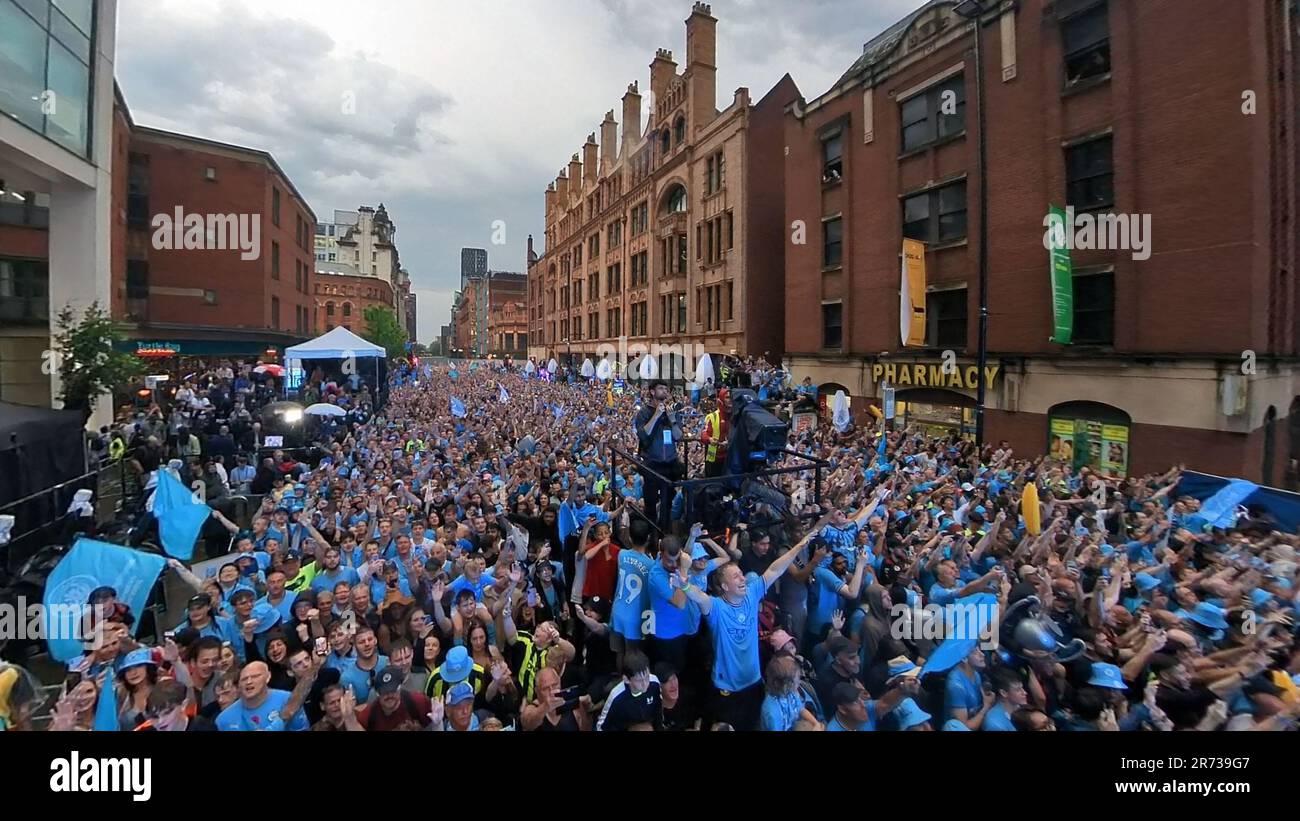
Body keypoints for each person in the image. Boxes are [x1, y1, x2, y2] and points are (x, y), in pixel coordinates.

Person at [681, 516, 825, 731]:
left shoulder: (751, 594)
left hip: (754, 682)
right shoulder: (716, 607)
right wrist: (683, 585)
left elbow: (775, 569)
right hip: (726, 688)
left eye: (741, 574)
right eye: (736, 577)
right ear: (723, 586)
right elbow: (698, 596)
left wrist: (799, 546)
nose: (742, 579)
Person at [633, 381, 682, 531]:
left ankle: (665, 531)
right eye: (661, 388)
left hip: (669, 462)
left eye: (666, 389)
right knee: (651, 501)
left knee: (668, 500)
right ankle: (651, 533)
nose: (665, 391)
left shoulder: (671, 412)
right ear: (652, 392)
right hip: (651, 463)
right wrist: (656, 415)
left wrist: (673, 420)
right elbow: (643, 434)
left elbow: (678, 436)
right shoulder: (644, 412)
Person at [596, 651, 662, 731]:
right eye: (639, 680)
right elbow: (601, 726)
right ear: (626, 679)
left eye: (647, 677)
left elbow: (658, 712)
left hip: (647, 724)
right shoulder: (616, 696)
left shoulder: (654, 684)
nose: (645, 684)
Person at [356, 668, 432, 730]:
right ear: (377, 693)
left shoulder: (418, 702)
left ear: (399, 688)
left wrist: (437, 723)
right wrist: (349, 717)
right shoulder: (369, 714)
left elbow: (433, 723)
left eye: (393, 690)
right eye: (384, 692)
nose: (389, 695)